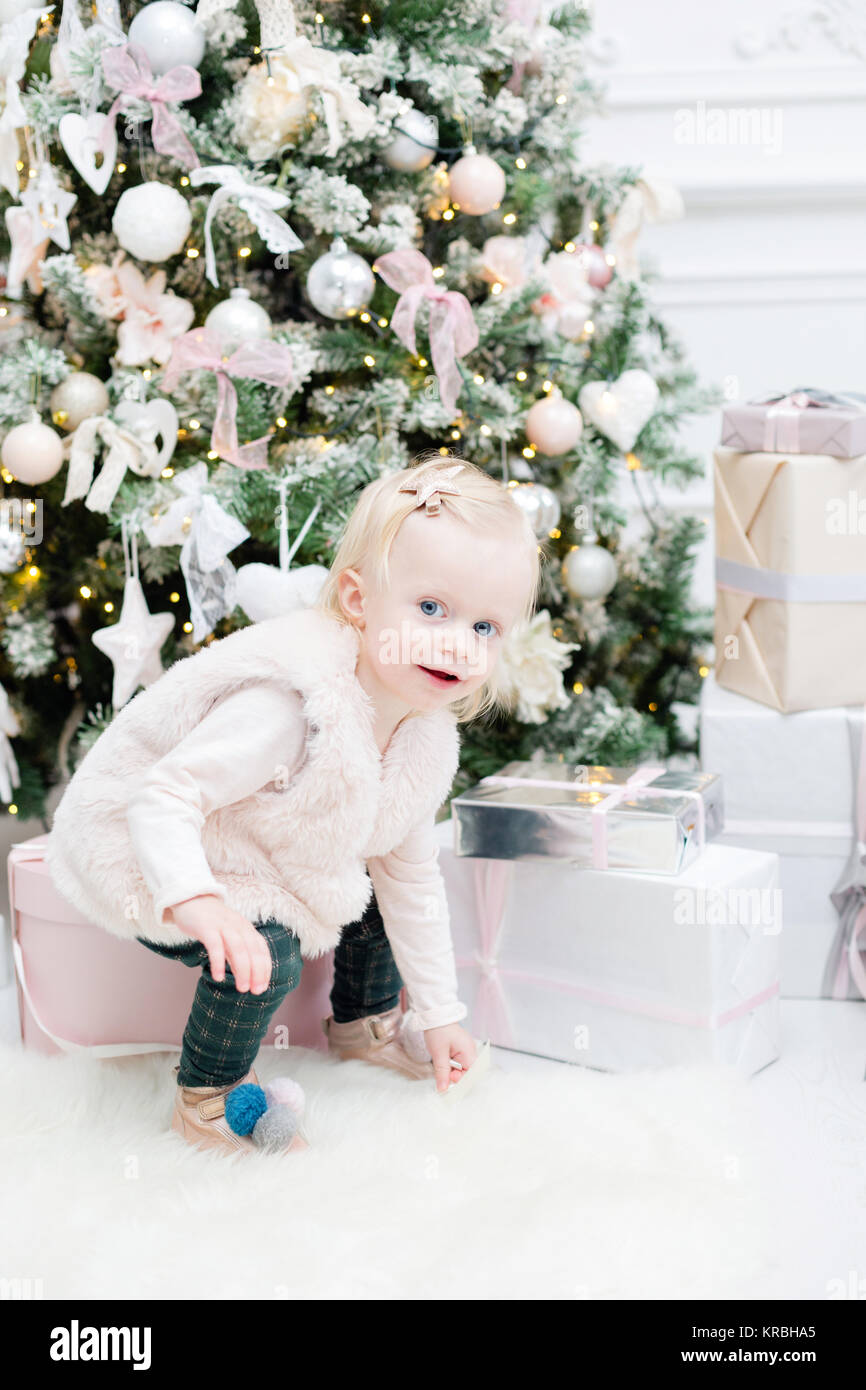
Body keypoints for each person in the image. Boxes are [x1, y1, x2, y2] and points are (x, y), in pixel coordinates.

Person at [44, 454, 542, 1157]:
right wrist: (201, 901)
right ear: (360, 601)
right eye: (431, 609)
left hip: (257, 843)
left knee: (376, 886)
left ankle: (363, 1025)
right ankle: (208, 1094)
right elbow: (163, 796)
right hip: (144, 843)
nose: (457, 645)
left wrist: (438, 1015)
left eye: (484, 627)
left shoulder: (423, 735)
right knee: (264, 952)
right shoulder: (289, 708)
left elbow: (411, 880)